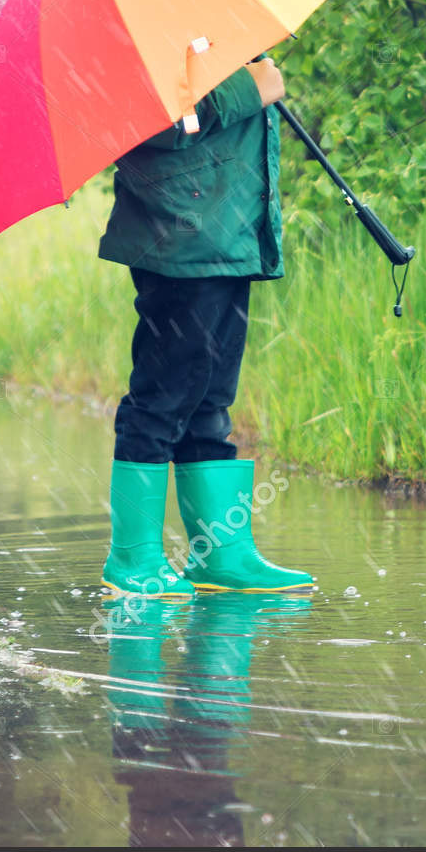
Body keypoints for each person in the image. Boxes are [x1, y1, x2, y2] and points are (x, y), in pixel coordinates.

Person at [95, 54, 313, 597]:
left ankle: (221, 553)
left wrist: (249, 73)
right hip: (179, 239)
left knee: (210, 396)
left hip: (226, 237)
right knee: (165, 394)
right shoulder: (142, 31)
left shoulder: (214, 27)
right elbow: (154, 121)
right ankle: (132, 559)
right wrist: (250, 88)